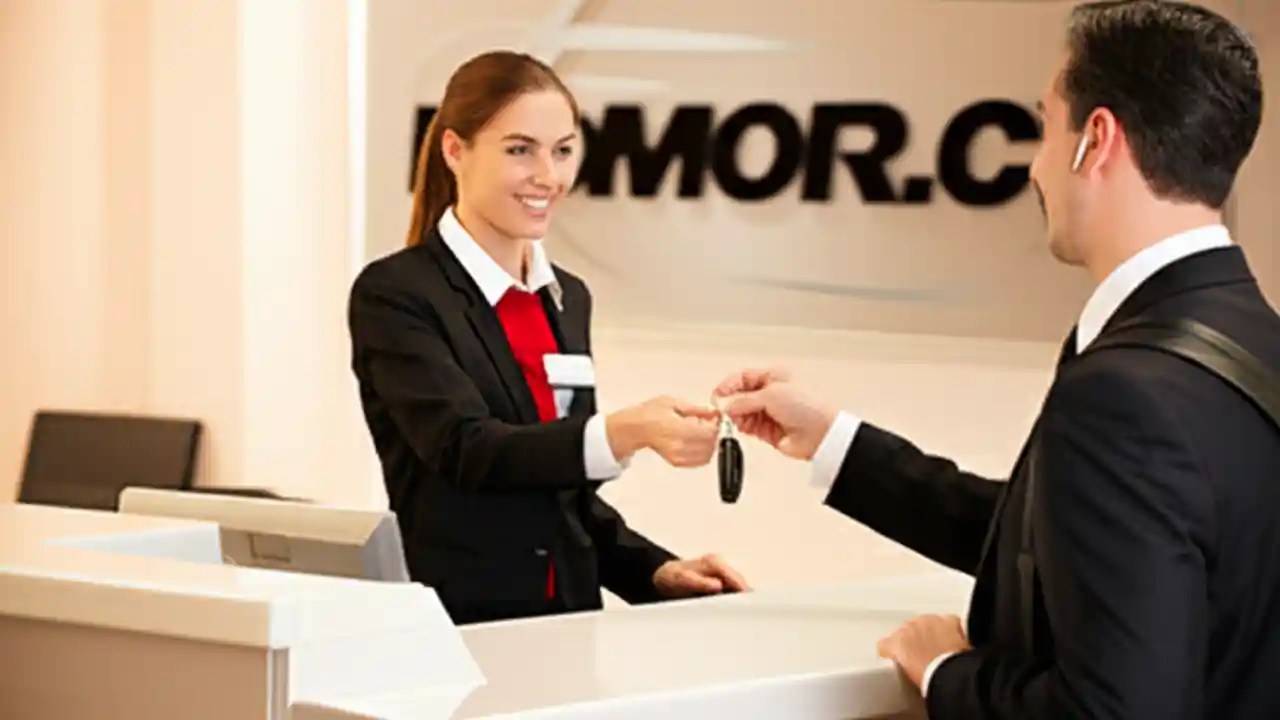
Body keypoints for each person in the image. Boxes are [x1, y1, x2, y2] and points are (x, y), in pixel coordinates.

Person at [715, 2, 1280, 717]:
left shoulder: (1123, 391)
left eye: (1044, 124)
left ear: (1094, 140)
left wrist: (949, 671)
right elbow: (1078, 549)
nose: (1036, 166)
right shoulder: (1253, 340)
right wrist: (836, 443)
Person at [349, 50, 748, 625]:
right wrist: (627, 431)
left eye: (562, 150)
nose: (549, 176)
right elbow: (469, 453)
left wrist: (654, 572)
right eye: (520, 150)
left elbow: (560, 494)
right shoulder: (396, 293)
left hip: (569, 629)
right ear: (455, 151)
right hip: (459, 629)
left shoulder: (566, 296)